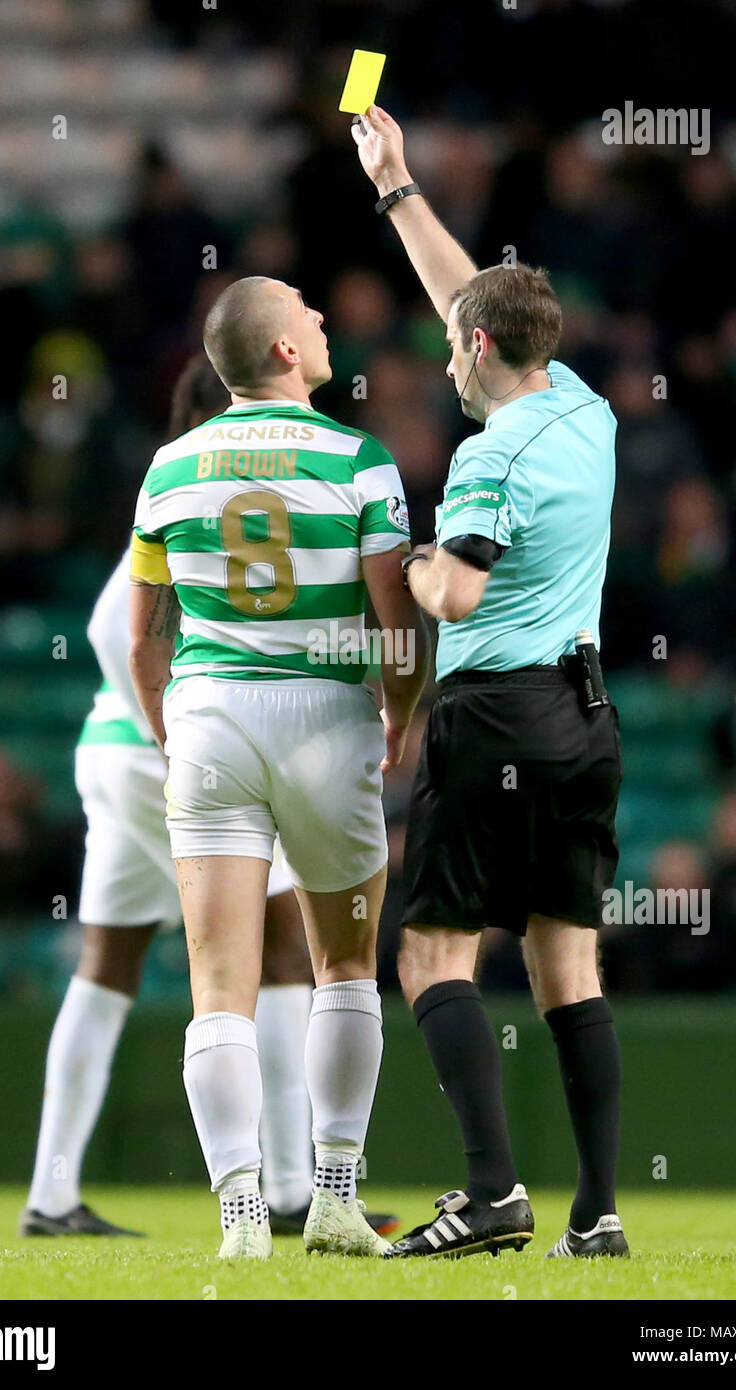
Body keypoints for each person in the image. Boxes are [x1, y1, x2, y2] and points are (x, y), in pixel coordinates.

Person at [22, 357, 398, 1239]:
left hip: (118, 751)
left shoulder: (177, 492)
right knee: (275, 952)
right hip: (171, 753)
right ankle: (292, 1188)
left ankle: (50, 1191)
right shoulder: (198, 486)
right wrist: (167, 726)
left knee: (107, 965)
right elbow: (112, 625)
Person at [351, 106, 627, 1259]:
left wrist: (406, 558)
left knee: (431, 954)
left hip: (493, 709)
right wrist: (397, 188)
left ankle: (490, 1191)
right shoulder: (583, 409)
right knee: (566, 959)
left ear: (470, 353)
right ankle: (598, 1210)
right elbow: (475, 309)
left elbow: (452, 597)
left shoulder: (485, 455)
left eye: (456, 343)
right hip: (585, 715)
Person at [129, 278, 428, 1259]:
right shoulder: (361, 459)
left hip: (211, 716)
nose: (325, 318)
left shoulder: (170, 467)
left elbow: (144, 642)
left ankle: (241, 1218)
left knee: (219, 981)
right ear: (287, 354)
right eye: (308, 312)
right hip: (326, 719)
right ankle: (336, 1196)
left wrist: (170, 733)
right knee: (345, 966)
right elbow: (397, 622)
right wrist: (400, 718)